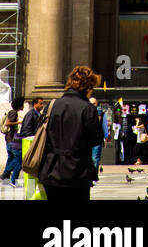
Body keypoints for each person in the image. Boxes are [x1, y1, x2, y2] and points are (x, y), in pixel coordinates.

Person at [38, 65, 104, 202]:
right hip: (77, 172)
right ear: (87, 86)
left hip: (51, 170)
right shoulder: (87, 109)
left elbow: (41, 131)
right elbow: (96, 139)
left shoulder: (52, 105)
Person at [1, 110, 22, 185]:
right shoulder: (14, 112)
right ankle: (6, 173)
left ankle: (6, 176)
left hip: (9, 139)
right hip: (11, 139)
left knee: (11, 157)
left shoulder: (12, 112)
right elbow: (8, 123)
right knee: (17, 159)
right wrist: (19, 122)